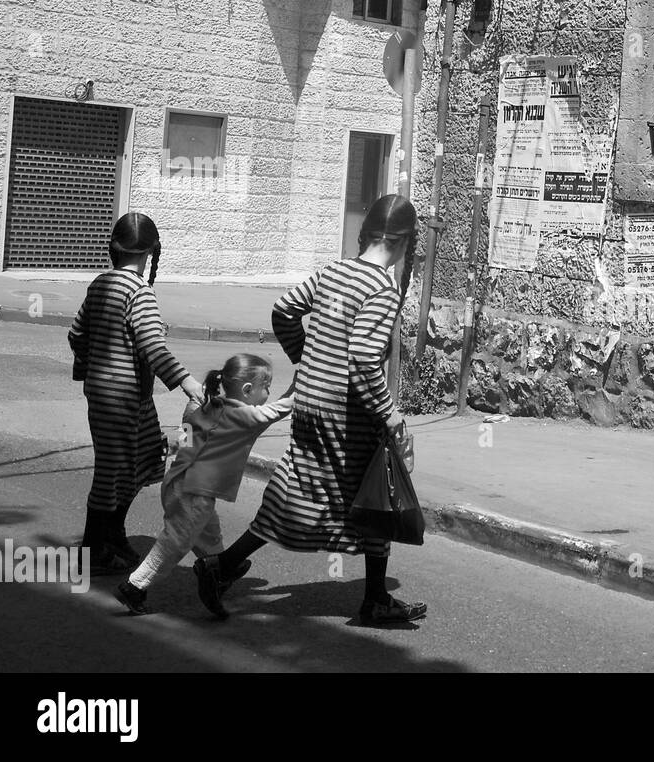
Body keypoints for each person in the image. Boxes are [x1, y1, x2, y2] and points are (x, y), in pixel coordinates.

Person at [196, 194, 425, 625]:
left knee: (298, 487)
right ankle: (375, 599)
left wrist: (311, 359)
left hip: (310, 402)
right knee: (378, 494)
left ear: (366, 234)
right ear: (403, 243)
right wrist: (388, 412)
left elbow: (284, 310)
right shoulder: (382, 287)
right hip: (348, 413)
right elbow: (361, 357)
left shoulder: (334, 270)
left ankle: (222, 568)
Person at [68, 213, 205, 575]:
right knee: (111, 472)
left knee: (144, 460)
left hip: (109, 396)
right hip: (124, 398)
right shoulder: (139, 291)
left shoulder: (99, 284)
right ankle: (94, 551)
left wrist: (88, 367)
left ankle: (113, 534)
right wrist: (187, 382)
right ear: (149, 253)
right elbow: (152, 346)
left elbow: (76, 335)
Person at [114, 354, 296, 616]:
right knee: (174, 544)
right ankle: (135, 586)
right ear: (247, 390)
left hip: (179, 481)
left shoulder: (212, 407)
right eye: (266, 386)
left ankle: (217, 574)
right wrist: (300, 386)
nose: (268, 392)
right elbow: (280, 409)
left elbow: (186, 432)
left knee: (209, 536)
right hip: (195, 492)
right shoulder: (244, 417)